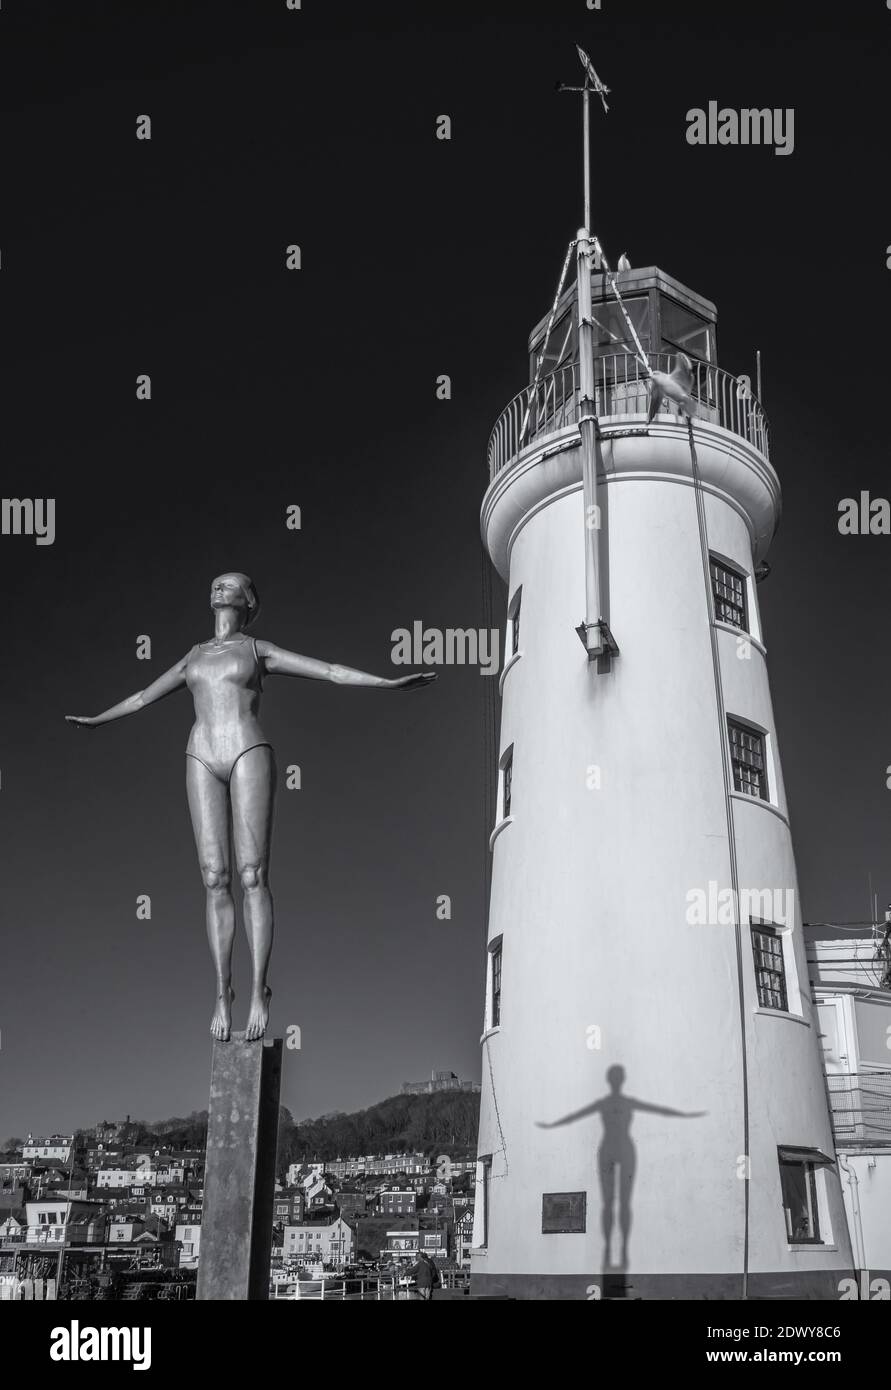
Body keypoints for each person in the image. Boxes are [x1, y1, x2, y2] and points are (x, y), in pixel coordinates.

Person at [66, 571, 434, 1040]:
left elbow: (328, 670)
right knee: (214, 878)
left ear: (247, 599)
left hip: (247, 750)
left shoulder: (257, 650)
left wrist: (385, 683)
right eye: (216, 583)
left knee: (252, 873)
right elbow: (141, 698)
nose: (219, 587)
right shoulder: (193, 657)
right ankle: (224, 992)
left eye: (230, 584)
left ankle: (259, 988)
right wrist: (98, 720)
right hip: (200, 754)